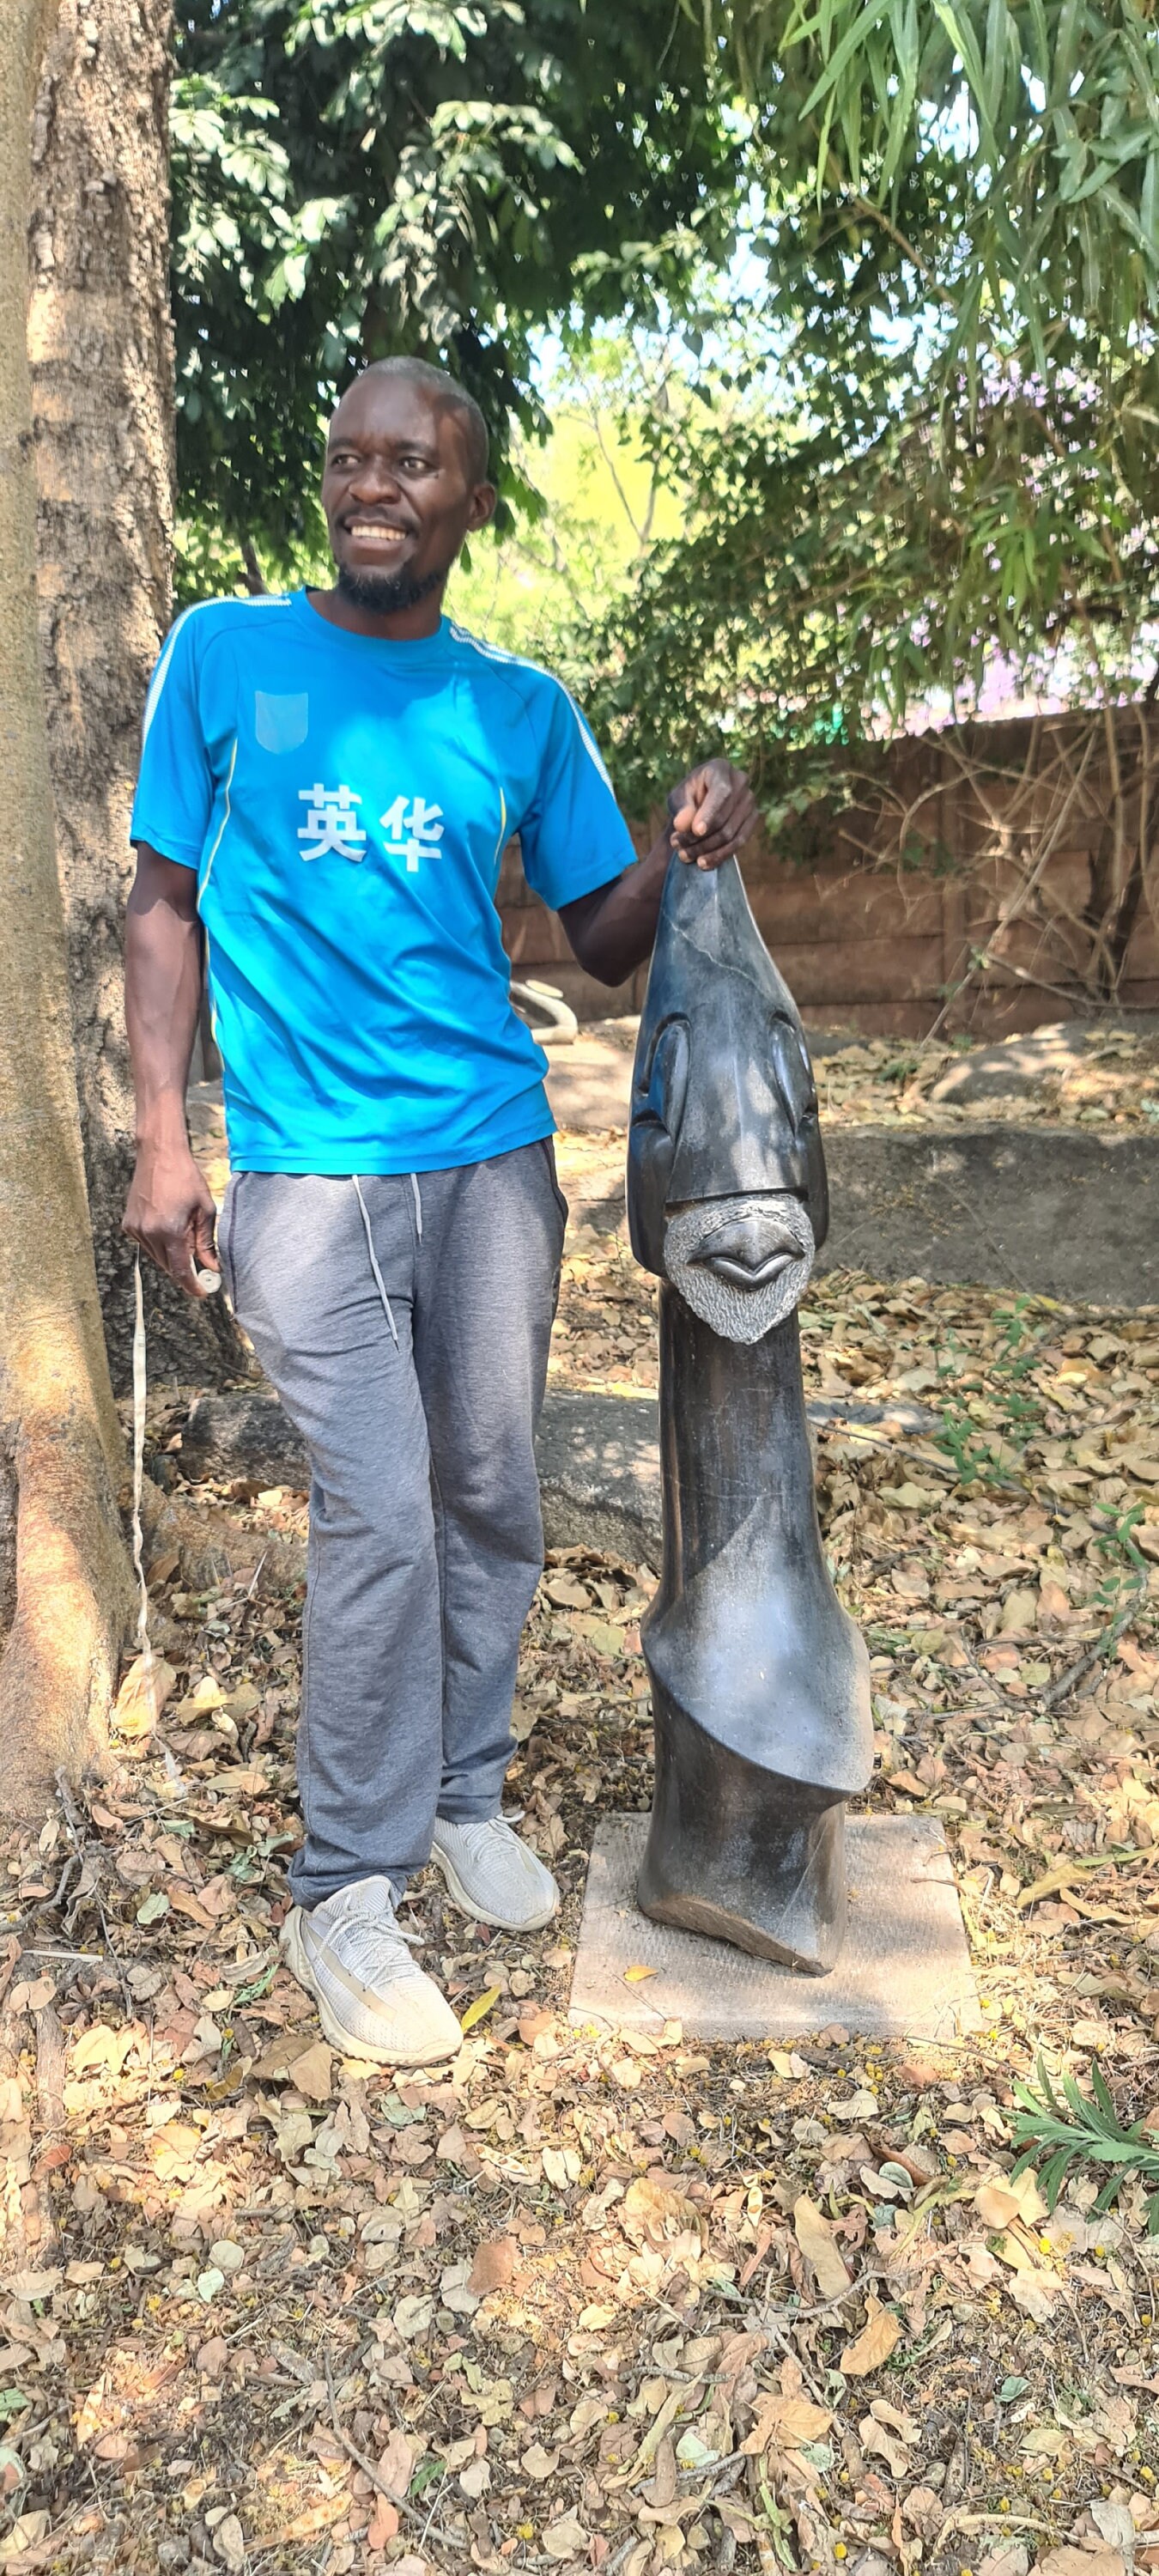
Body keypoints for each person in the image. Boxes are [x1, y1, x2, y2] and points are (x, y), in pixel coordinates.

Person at [124, 355, 757, 2067]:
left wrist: (691, 836)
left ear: (474, 501)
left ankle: (464, 1787)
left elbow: (598, 938)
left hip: (487, 1159)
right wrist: (164, 1140)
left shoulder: (519, 708)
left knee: (490, 1490)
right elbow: (164, 905)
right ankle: (344, 1888)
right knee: (384, 1509)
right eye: (349, 459)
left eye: (411, 464)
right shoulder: (228, 657)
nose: (371, 486)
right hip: (307, 1176)